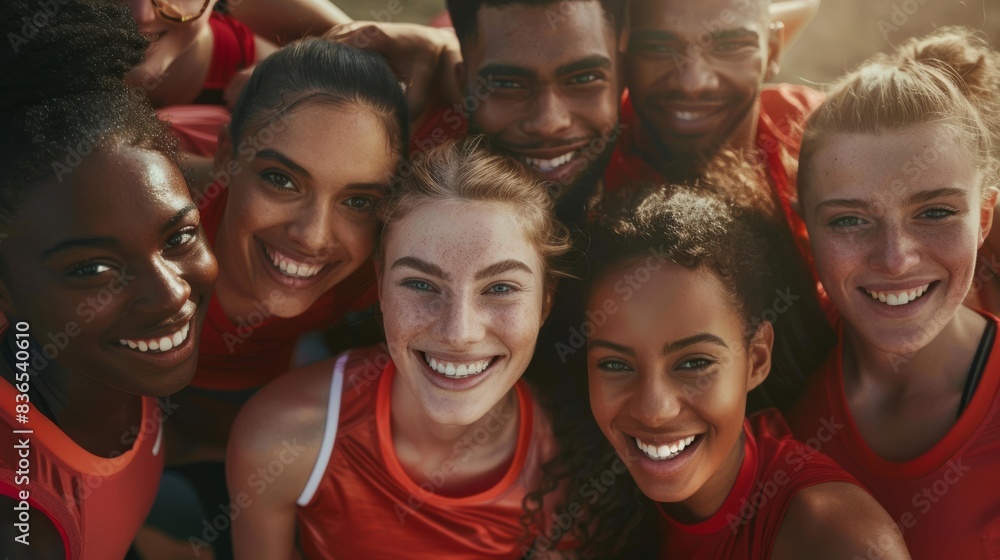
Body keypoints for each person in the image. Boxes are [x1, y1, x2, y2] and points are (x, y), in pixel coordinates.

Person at [226, 138, 575, 558]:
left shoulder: (574, 461)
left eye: (500, 288)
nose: (458, 332)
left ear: (545, 302)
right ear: (380, 284)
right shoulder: (283, 438)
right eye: (420, 284)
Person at [153, 36, 408, 559]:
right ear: (227, 155)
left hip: (248, 404)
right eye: (281, 180)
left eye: (356, 200)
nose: (314, 237)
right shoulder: (139, 210)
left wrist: (426, 48)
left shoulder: (380, 257)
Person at [573, 170, 908, 558]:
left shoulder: (834, 539)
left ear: (757, 359)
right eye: (615, 365)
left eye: (695, 363)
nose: (654, 410)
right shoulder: (580, 487)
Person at [0, 1, 218, 558]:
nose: (172, 294)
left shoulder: (98, 355)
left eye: (178, 237)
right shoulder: (24, 528)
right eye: (93, 269)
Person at [788, 27, 1000, 559]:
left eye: (934, 212)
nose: (896, 258)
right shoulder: (774, 375)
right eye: (851, 220)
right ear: (806, 229)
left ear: (985, 218)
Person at [606, 0, 822, 265]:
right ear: (623, 60)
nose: (692, 84)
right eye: (658, 48)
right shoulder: (586, 154)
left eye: (730, 46)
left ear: (773, 50)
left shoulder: (818, 132)